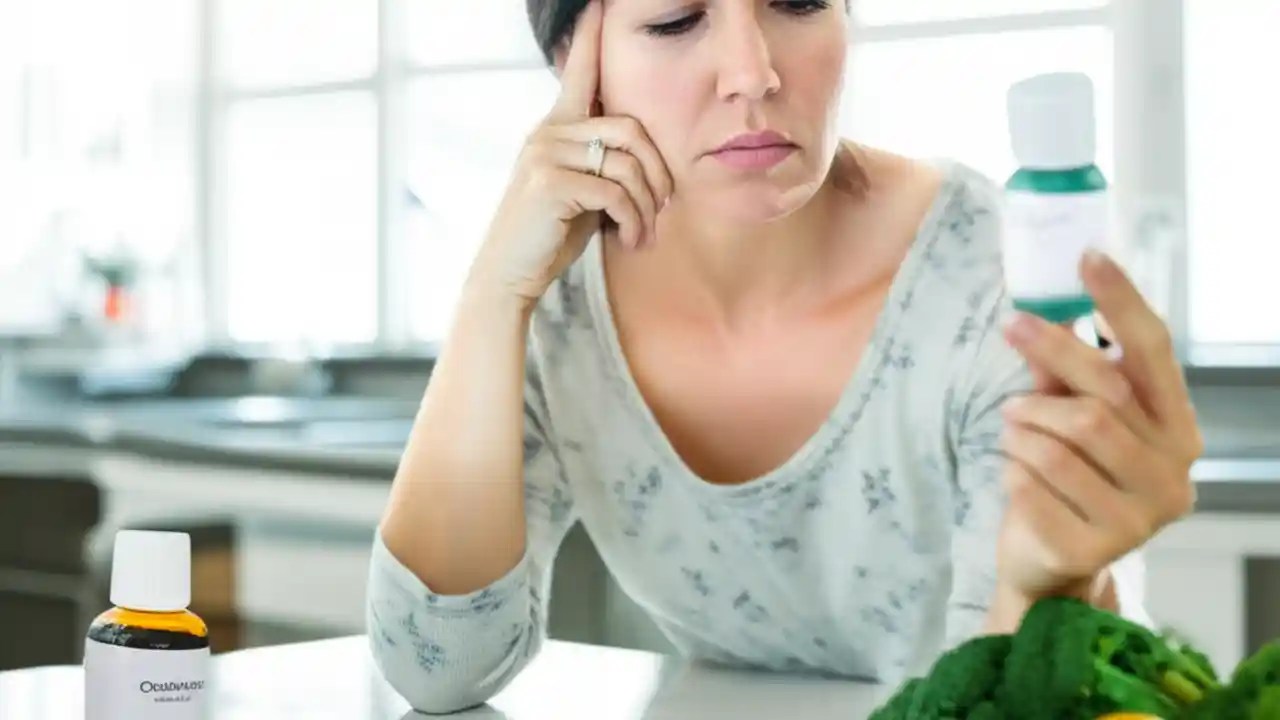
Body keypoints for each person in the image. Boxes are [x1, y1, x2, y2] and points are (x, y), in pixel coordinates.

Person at [366, 0, 1204, 713]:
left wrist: (1046, 581)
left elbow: (1007, 690)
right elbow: (438, 666)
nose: (752, 72)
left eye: (799, 0)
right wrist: (492, 297)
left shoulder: (994, 280)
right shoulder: (560, 304)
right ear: (572, 67)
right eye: (676, 19)